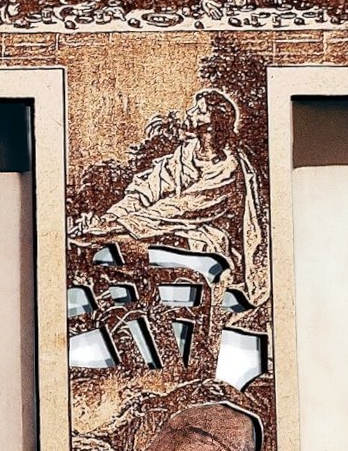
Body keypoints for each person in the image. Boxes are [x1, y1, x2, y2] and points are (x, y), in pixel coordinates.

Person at [69, 88, 269, 304]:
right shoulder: (186, 152)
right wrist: (108, 219)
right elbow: (147, 189)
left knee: (117, 245)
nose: (190, 112)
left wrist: (115, 227)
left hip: (207, 242)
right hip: (170, 227)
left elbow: (181, 208)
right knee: (100, 244)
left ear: (212, 123)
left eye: (198, 110)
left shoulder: (227, 168)